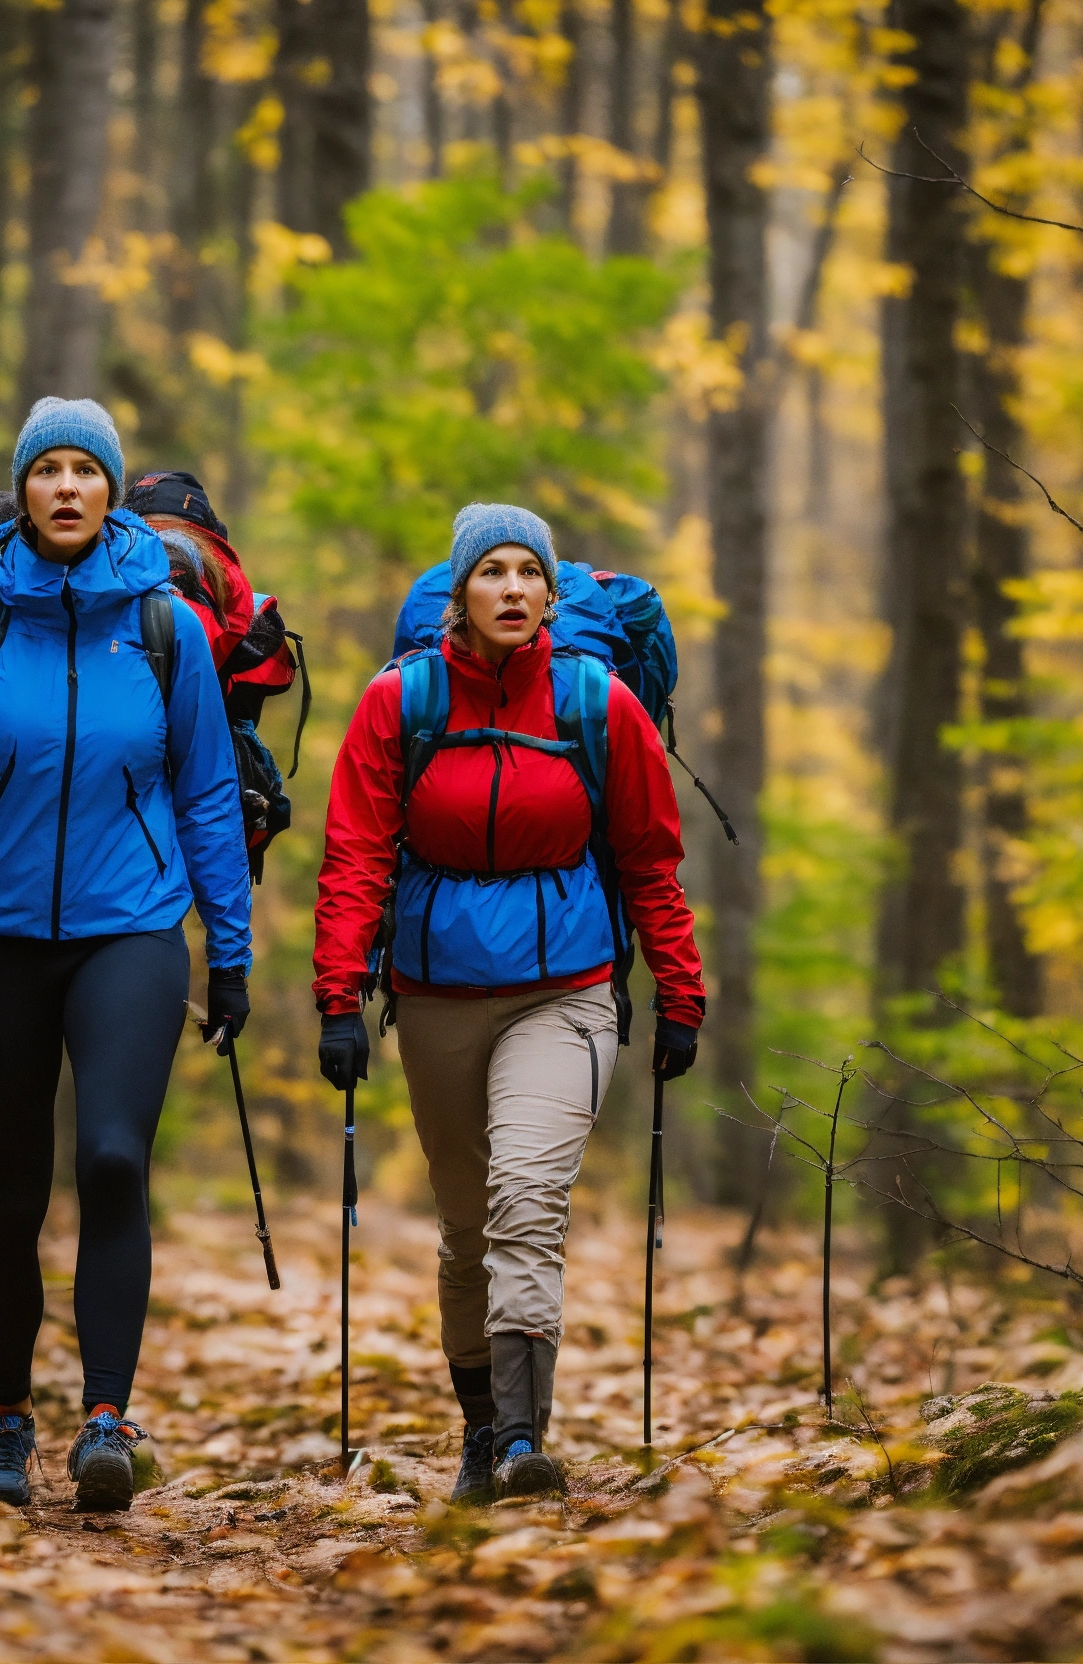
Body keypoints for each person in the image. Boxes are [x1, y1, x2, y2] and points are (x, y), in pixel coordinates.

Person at [0, 397, 254, 1513]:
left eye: (82, 470)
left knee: (110, 1160)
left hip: (130, 934)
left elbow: (203, 792)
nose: (63, 487)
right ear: (25, 488)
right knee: (11, 1193)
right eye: (44, 469)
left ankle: (106, 1416)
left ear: (110, 490)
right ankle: (5, 1420)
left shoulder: (163, 625)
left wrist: (228, 948)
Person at [311, 503, 704, 1503]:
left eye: (531, 571)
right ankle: (481, 1430)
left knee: (524, 1202)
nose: (516, 589)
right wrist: (337, 996)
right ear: (460, 591)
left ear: (552, 592)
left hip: (565, 992)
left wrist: (679, 991)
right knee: (465, 1232)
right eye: (493, 571)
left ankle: (525, 1436)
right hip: (436, 994)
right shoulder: (399, 700)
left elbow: (649, 856)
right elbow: (354, 852)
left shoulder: (595, 702)